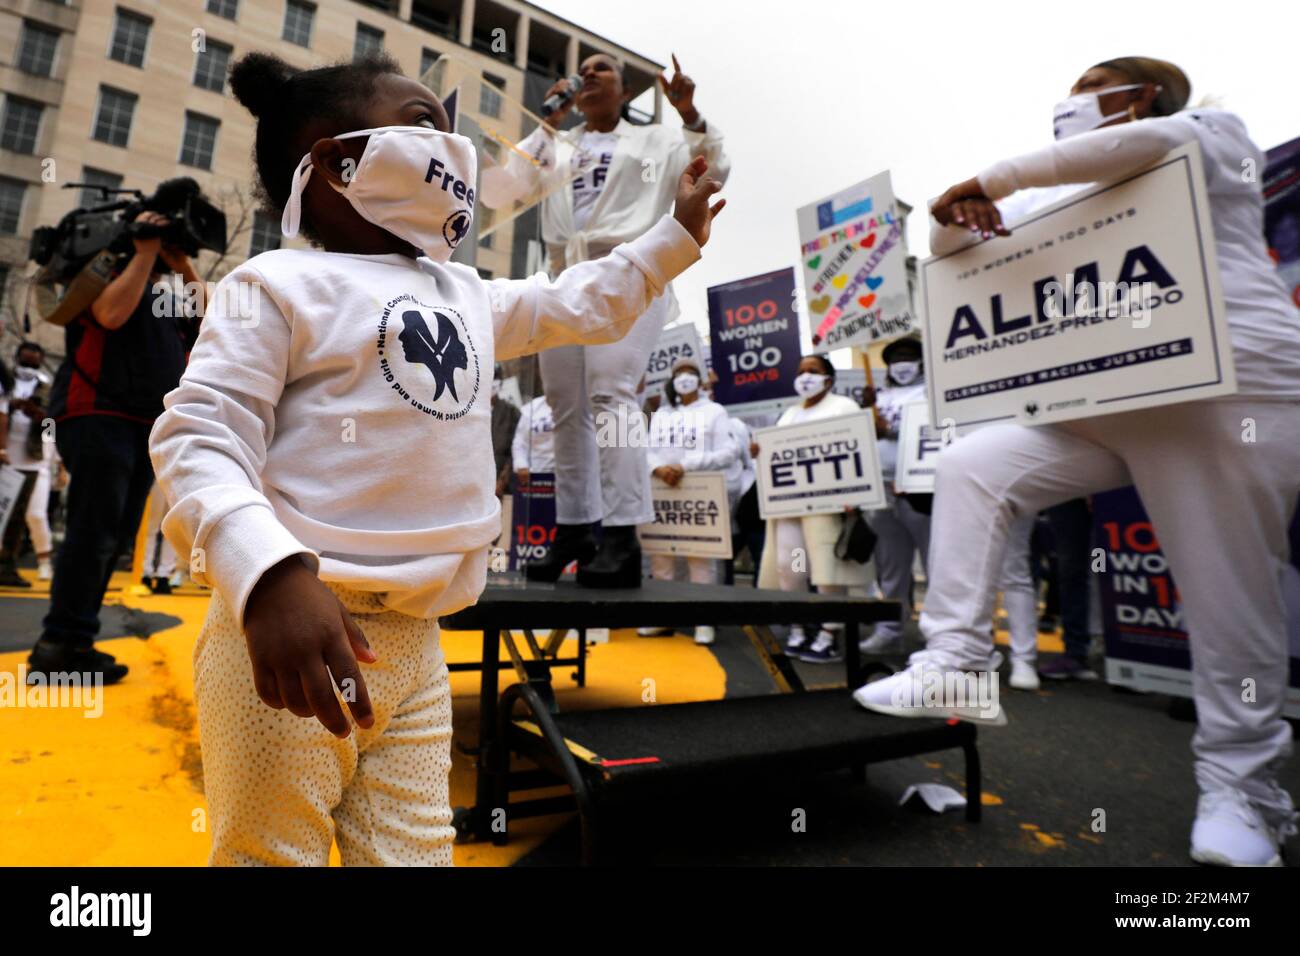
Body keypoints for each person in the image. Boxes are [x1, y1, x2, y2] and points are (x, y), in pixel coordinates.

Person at [148, 51, 723, 866]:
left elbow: (578, 303)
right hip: (289, 633)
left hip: (417, 646)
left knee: (417, 854)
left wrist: (673, 237)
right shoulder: (274, 283)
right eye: (425, 124)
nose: (449, 146)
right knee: (271, 854)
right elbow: (199, 435)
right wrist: (270, 576)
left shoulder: (468, 293)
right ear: (338, 160)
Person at [854, 57, 1300, 867]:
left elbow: (1120, 153)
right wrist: (957, 209)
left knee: (1230, 596)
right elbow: (951, 241)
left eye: (1091, 85)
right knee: (973, 468)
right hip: (1096, 401)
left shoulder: (1211, 134)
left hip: (1224, 390)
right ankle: (954, 662)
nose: (1070, 102)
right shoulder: (1048, 199)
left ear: (1136, 96)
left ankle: (1244, 793)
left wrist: (985, 177)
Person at [484, 53, 730, 588]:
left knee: (610, 393)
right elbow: (502, 190)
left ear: (623, 91)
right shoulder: (559, 143)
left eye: (603, 70)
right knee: (565, 407)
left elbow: (713, 169)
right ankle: (573, 529)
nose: (590, 74)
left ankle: (620, 535)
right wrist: (548, 121)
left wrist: (688, 114)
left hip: (629, 272)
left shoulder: (656, 142)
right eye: (584, 69)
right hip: (562, 280)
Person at [27, 201, 204, 683]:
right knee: (92, 532)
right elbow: (108, 316)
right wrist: (144, 253)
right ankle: (57, 645)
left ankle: (75, 642)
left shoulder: (163, 291)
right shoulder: (105, 275)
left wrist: (180, 261)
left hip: (142, 423)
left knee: (113, 537)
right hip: (95, 412)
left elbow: (210, 318)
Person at [756, 355, 874, 663]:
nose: (805, 377)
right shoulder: (790, 413)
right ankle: (798, 626)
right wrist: (760, 451)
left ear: (829, 379)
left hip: (827, 505)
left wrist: (854, 496)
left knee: (827, 569)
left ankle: (829, 632)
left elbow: (854, 449)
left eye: (813, 371)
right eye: (801, 371)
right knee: (791, 565)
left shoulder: (842, 407)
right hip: (791, 507)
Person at [639, 357, 739, 644]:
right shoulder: (661, 413)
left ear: (702, 379)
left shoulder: (715, 411)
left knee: (700, 559)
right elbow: (646, 448)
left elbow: (728, 451)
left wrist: (687, 465)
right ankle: (662, 617)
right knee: (661, 558)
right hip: (662, 491)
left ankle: (703, 620)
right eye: (679, 373)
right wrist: (657, 467)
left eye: (691, 373)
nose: (685, 377)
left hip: (699, 490)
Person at [860, 334, 930, 655]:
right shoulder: (879, 397)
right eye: (895, 357)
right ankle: (890, 629)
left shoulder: (933, 392)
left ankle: (940, 634)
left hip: (922, 491)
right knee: (891, 566)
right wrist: (865, 417)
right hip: (882, 491)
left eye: (909, 355)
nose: (902, 362)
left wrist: (890, 430)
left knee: (936, 563)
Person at [0, 342, 54, 587]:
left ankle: (10, 566)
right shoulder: (6, 381)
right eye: (25, 360)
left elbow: (52, 427)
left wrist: (38, 414)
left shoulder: (47, 387)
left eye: (34, 361)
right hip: (5, 456)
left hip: (31, 459)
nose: (28, 365)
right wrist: (11, 408)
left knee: (22, 517)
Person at [512, 385, 556, 487]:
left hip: (566, 477)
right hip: (534, 477)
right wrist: (521, 465)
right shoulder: (532, 408)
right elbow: (520, 442)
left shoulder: (578, 406)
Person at [489, 364, 520, 497]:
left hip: (502, 485)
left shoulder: (511, 412)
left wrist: (502, 481)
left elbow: (516, 449)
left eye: (495, 378)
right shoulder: (470, 412)